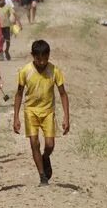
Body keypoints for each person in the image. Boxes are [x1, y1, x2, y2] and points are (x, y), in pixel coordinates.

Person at [13, 39, 70, 185]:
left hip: (48, 112)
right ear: (33, 56)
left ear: (49, 55)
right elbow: (19, 94)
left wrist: (66, 117)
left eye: (45, 58)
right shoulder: (25, 71)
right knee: (34, 142)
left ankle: (45, 157)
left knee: (50, 144)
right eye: (39, 59)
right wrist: (16, 118)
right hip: (31, 111)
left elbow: (63, 94)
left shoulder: (54, 71)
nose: (42, 62)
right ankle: (42, 176)